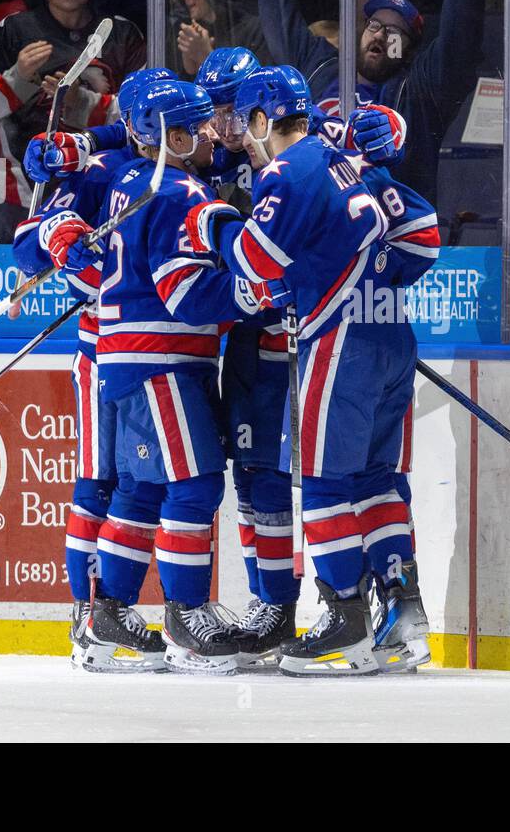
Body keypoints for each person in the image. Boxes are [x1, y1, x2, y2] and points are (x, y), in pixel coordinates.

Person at [186, 65, 441, 676]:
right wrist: (365, 271)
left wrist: (215, 222)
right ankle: (402, 612)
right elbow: (424, 237)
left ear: (261, 119)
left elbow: (251, 261)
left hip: (339, 343)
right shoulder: (348, 161)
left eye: (248, 124)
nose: (247, 139)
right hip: (391, 333)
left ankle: (343, 621)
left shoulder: (286, 171)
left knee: (325, 483)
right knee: (378, 479)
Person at [58, 79, 240, 675]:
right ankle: (186, 617)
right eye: (201, 125)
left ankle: (108, 618)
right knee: (195, 485)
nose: (214, 132)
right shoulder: (178, 189)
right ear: (176, 137)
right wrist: (256, 292)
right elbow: (181, 290)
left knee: (142, 488)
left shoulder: (134, 180)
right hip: (162, 358)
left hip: (127, 358)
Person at [13, 66, 171, 672]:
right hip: (102, 345)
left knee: (147, 481)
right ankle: (89, 618)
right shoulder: (100, 174)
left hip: (167, 349)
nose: (166, 130)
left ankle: (111, 612)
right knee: (101, 480)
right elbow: (27, 239)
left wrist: (81, 140)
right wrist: (59, 235)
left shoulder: (189, 166)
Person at [257, 0, 488, 205]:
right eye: (374, 25)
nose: (379, 35)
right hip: (315, 216)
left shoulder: (417, 92)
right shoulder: (321, 66)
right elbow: (278, 19)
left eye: (394, 32)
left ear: (407, 51)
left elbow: (460, 39)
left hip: (384, 231)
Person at [0, 0, 146, 217]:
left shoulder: (123, 34)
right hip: (24, 191)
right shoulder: (15, 30)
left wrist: (79, 102)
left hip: (105, 186)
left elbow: (142, 117)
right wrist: (19, 76)